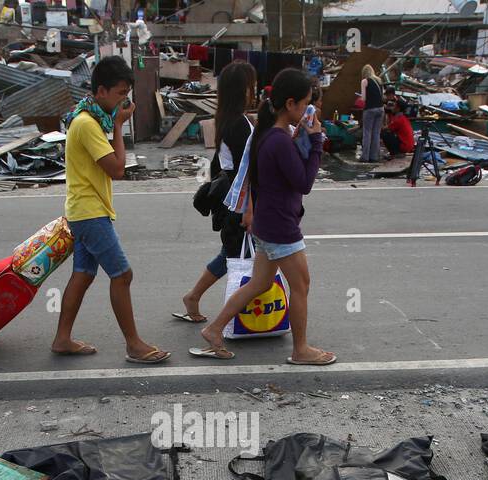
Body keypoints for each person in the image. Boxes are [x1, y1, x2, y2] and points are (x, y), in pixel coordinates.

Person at [193, 68, 334, 366]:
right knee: (301, 286)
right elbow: (304, 183)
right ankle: (301, 350)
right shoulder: (278, 140)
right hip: (280, 226)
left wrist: (302, 139)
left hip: (267, 223)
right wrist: (316, 140)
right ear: (291, 103)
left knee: (259, 283)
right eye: (306, 103)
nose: (310, 109)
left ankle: (214, 328)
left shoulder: (269, 134)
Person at [52, 56, 168, 364]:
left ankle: (62, 339)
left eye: (126, 94)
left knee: (83, 274)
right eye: (119, 94)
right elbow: (117, 169)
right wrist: (119, 125)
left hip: (84, 209)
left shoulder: (87, 118)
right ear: (100, 91)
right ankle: (134, 344)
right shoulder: (88, 124)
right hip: (89, 213)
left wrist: (115, 121)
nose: (123, 101)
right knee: (122, 274)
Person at [174, 60, 257, 324]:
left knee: (234, 253)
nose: (253, 92)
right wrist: (250, 207)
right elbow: (248, 168)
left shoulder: (228, 120)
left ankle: (195, 297)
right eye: (250, 87)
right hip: (240, 200)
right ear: (241, 90)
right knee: (240, 255)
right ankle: (227, 319)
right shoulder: (239, 125)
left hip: (233, 198)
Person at [358, 64, 385, 163]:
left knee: (367, 132)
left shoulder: (364, 81)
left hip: (370, 109)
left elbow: (363, 98)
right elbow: (382, 96)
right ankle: (374, 157)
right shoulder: (379, 81)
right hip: (380, 109)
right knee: (376, 133)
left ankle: (365, 156)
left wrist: (360, 98)